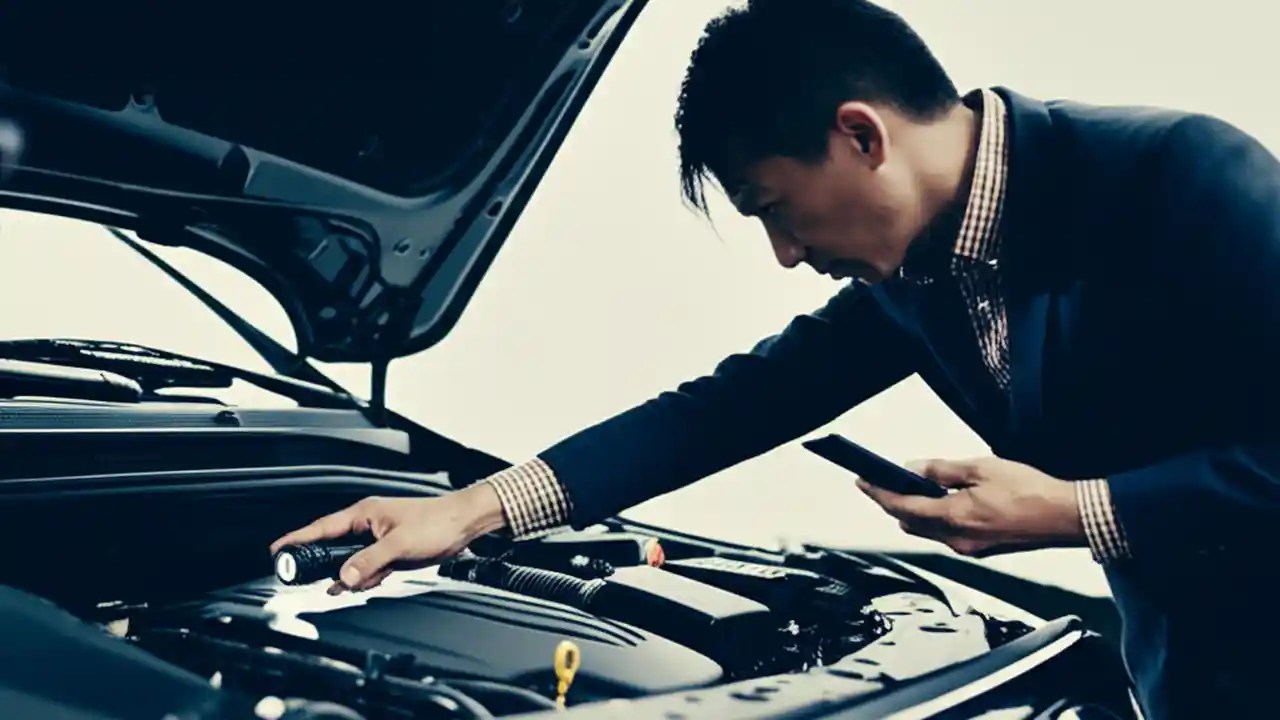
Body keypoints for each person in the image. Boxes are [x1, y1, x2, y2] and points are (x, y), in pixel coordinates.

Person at [271, 1, 1280, 717]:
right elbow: (726, 408)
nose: (786, 256)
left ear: (859, 135)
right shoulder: (911, 275)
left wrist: (1072, 511)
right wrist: (464, 511)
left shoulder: (1182, 178)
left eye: (772, 210)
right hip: (1181, 673)